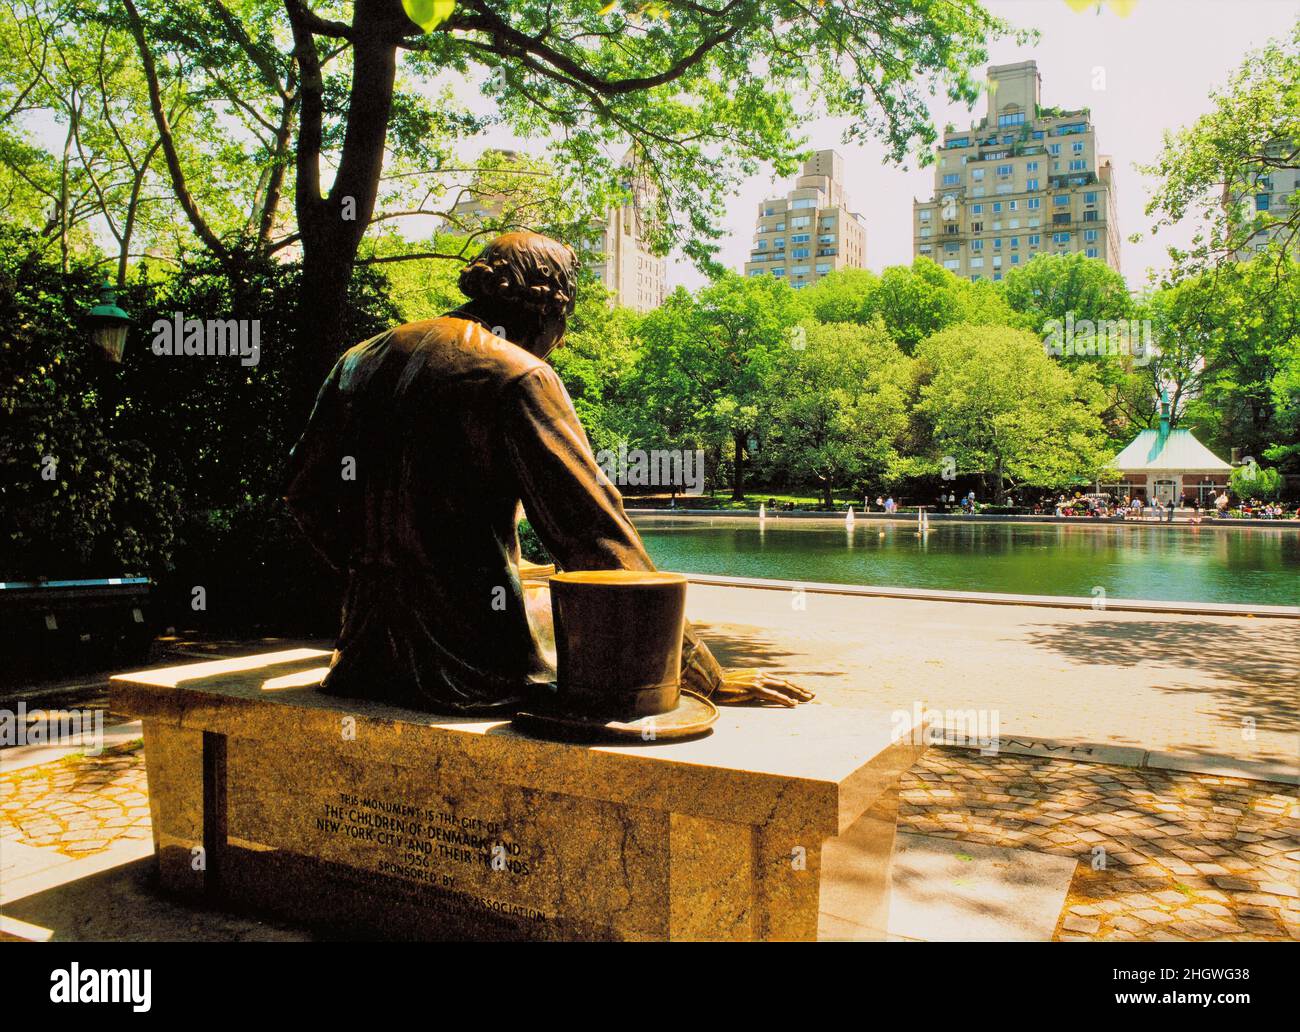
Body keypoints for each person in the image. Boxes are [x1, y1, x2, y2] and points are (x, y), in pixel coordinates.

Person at [285, 231, 811, 714]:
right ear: (547, 309)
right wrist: (702, 673)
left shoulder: (359, 359)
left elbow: (303, 496)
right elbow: (595, 536)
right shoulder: (518, 375)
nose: (559, 343)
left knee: (537, 588)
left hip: (365, 659)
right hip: (471, 671)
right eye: (565, 324)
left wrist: (376, 568)